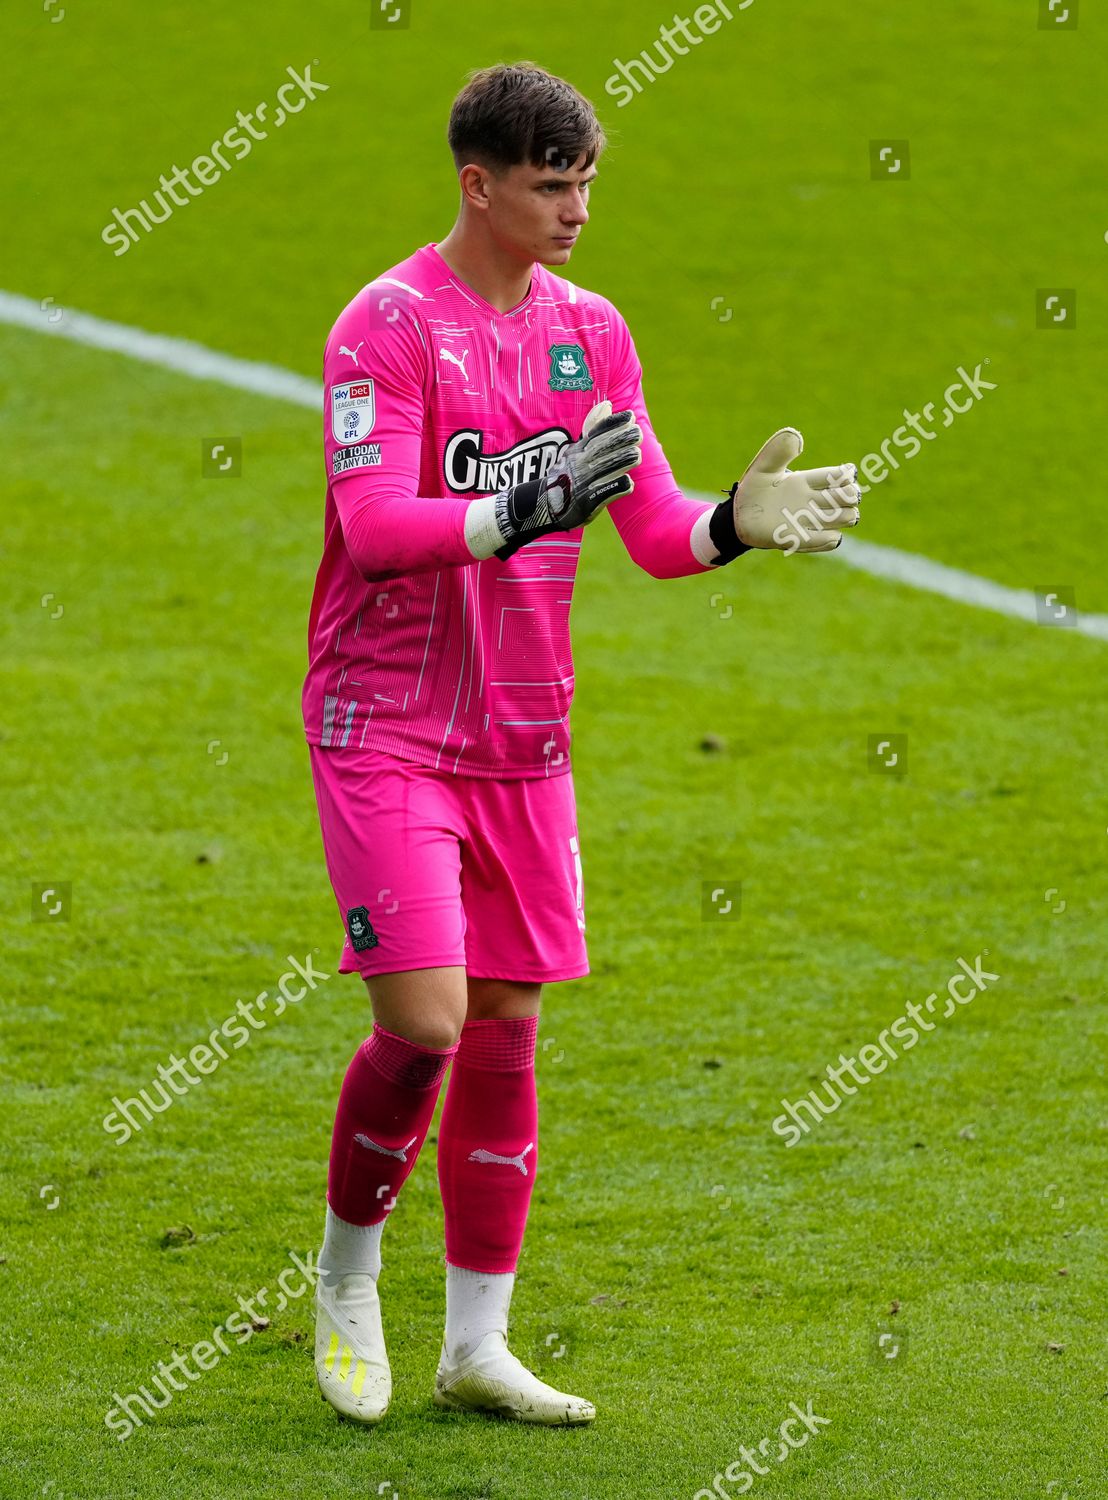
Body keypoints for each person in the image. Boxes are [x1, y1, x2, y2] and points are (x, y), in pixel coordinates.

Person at [302, 60, 859, 1428]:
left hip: (523, 738)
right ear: (477, 184)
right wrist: (517, 508)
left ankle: (476, 1347)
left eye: (587, 185)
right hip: (387, 726)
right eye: (551, 188)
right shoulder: (385, 328)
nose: (575, 212)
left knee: (505, 1026)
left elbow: (654, 529)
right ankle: (345, 1278)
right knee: (424, 1022)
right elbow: (376, 531)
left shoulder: (591, 333)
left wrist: (738, 521)